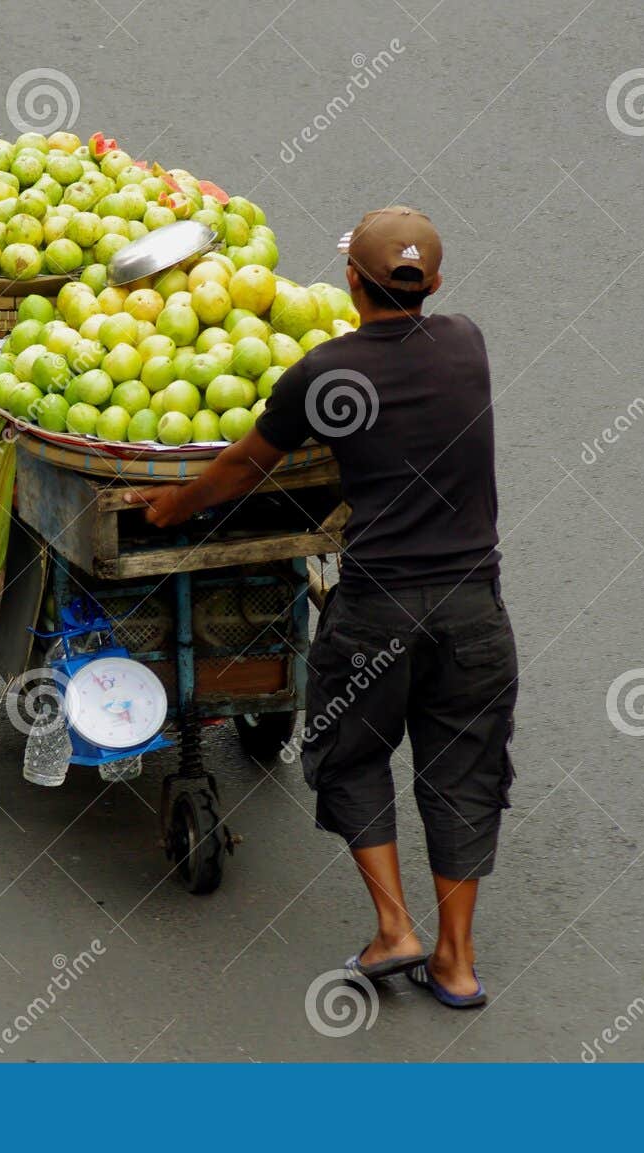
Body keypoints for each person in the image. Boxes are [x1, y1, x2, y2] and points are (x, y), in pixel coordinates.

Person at [124, 207, 518, 1010]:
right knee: (463, 774)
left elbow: (241, 467)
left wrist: (170, 509)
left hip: (378, 611)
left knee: (348, 752)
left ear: (350, 283)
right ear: (435, 287)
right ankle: (456, 961)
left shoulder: (325, 373)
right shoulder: (468, 344)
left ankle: (394, 926)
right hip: (476, 612)